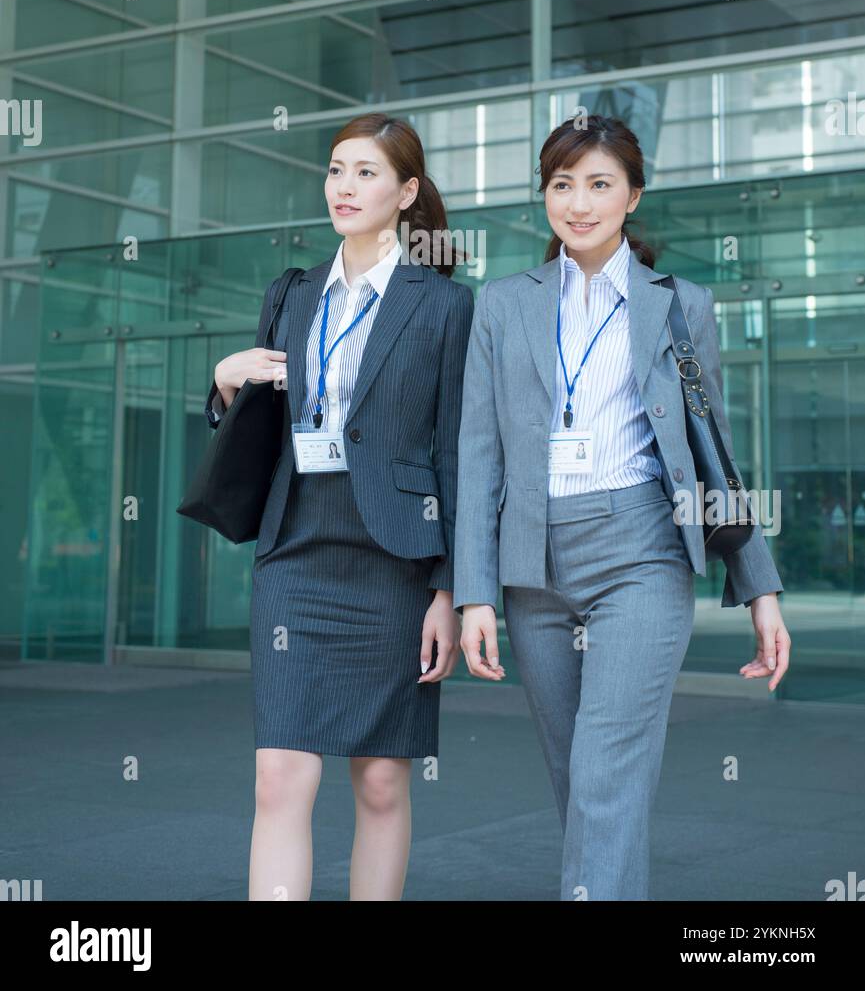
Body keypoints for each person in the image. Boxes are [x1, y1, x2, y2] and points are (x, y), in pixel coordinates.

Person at [453, 113, 791, 902]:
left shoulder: (679, 305)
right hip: (532, 561)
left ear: (632, 195)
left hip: (641, 548)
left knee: (605, 764)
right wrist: (473, 592)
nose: (578, 202)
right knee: (579, 774)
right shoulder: (501, 306)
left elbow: (713, 449)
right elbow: (477, 457)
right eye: (562, 185)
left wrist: (760, 587)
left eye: (599, 184)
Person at [205, 112, 473, 900]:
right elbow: (258, 428)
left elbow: (457, 451)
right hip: (295, 552)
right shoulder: (290, 293)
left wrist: (449, 589)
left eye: (364, 172)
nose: (344, 187)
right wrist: (223, 384)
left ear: (406, 191)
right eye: (334, 170)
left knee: (383, 781)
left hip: (395, 563)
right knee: (279, 779)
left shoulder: (445, 305)